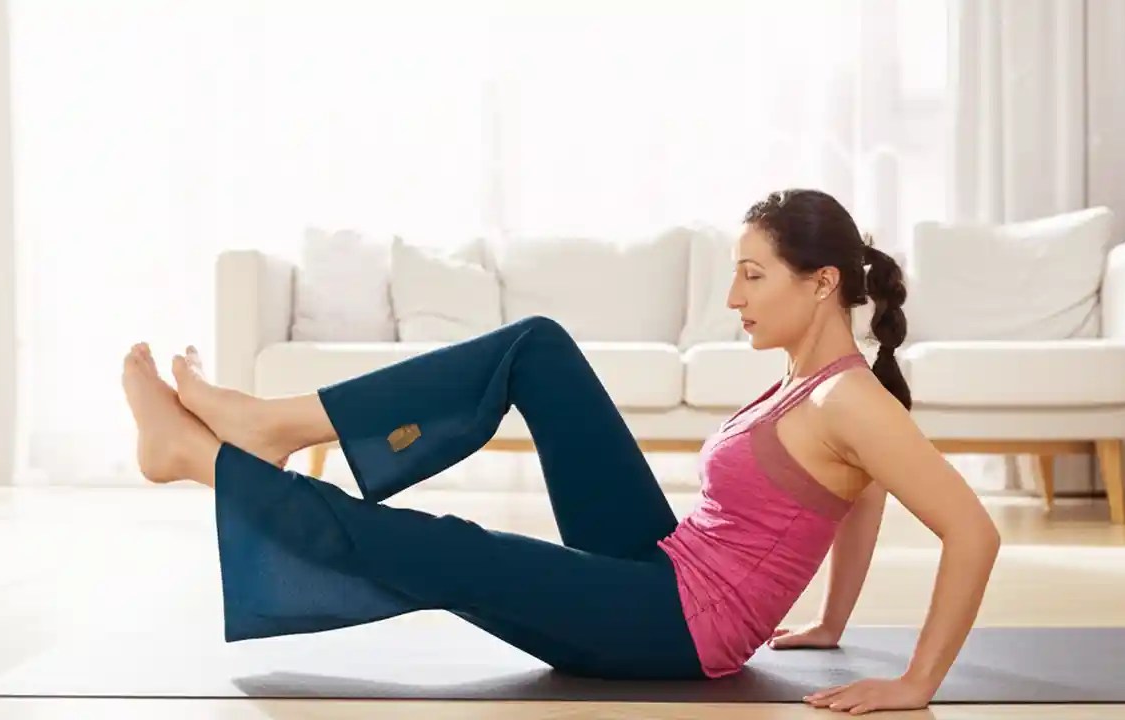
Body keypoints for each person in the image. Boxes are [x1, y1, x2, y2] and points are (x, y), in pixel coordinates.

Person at [120, 188, 1001, 715]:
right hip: (667, 568)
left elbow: (973, 532)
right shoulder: (807, 388)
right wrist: (834, 623)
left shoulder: (851, 395)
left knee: (452, 550)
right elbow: (866, 496)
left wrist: (918, 682)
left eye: (753, 275)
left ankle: (201, 461)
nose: (732, 295)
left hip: (681, 629)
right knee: (534, 347)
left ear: (823, 284)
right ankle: (277, 426)